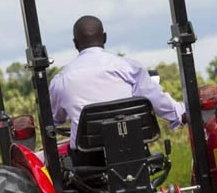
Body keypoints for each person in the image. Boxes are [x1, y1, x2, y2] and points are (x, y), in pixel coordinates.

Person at [50, 15, 186, 149]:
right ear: (105, 37)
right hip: (133, 148)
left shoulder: (61, 80)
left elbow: (56, 118)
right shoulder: (129, 67)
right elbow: (156, 99)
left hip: (87, 158)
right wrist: (180, 113)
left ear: (75, 43)